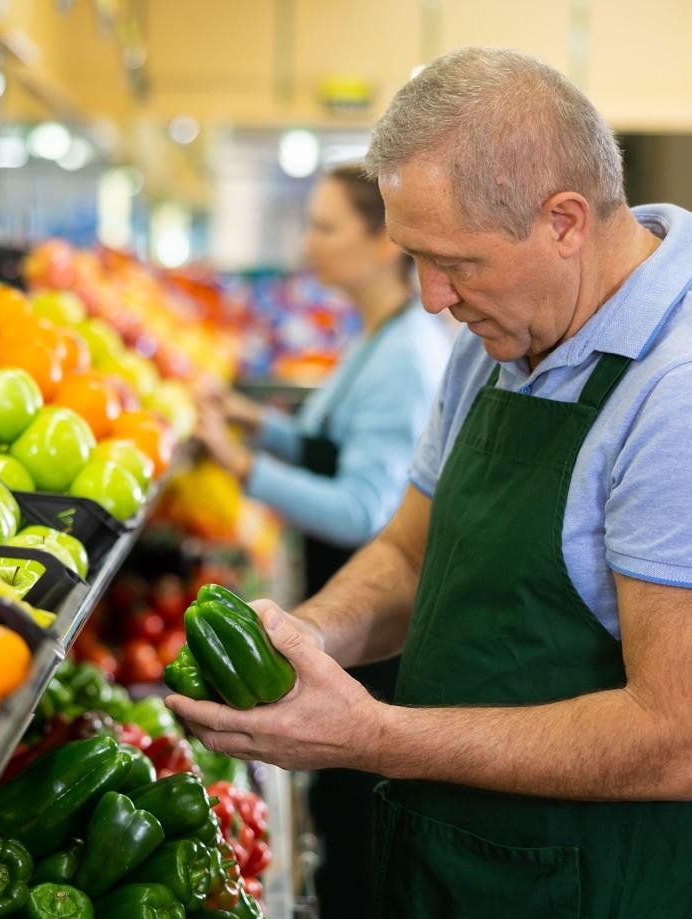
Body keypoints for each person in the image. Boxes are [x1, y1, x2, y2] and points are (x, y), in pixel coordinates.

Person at [168, 47, 692, 919]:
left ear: (564, 221)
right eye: (414, 260)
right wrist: (303, 640)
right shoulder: (500, 346)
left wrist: (376, 735)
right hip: (477, 869)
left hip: (644, 884)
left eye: (457, 263)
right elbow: (408, 553)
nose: (433, 298)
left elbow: (676, 740)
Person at [195, 163, 451, 916]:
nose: (308, 243)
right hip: (351, 612)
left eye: (326, 226)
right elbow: (328, 441)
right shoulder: (379, 333)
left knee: (356, 837)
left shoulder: (406, 355)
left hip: (372, 630)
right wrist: (251, 419)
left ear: (384, 242)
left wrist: (241, 465)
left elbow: (364, 510)